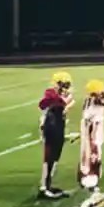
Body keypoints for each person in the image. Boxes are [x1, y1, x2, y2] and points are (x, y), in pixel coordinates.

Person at [37, 71, 75, 200]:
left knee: (56, 157)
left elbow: (67, 103)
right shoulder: (50, 93)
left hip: (59, 124)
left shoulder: (62, 95)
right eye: (65, 84)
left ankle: (49, 184)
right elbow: (43, 104)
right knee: (49, 157)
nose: (67, 86)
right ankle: (44, 187)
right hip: (50, 125)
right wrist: (63, 100)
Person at [78, 79, 104, 207]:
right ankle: (90, 202)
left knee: (93, 166)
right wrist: (93, 142)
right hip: (92, 140)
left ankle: (92, 197)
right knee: (92, 168)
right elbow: (92, 124)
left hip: (93, 139)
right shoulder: (94, 105)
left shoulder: (92, 103)